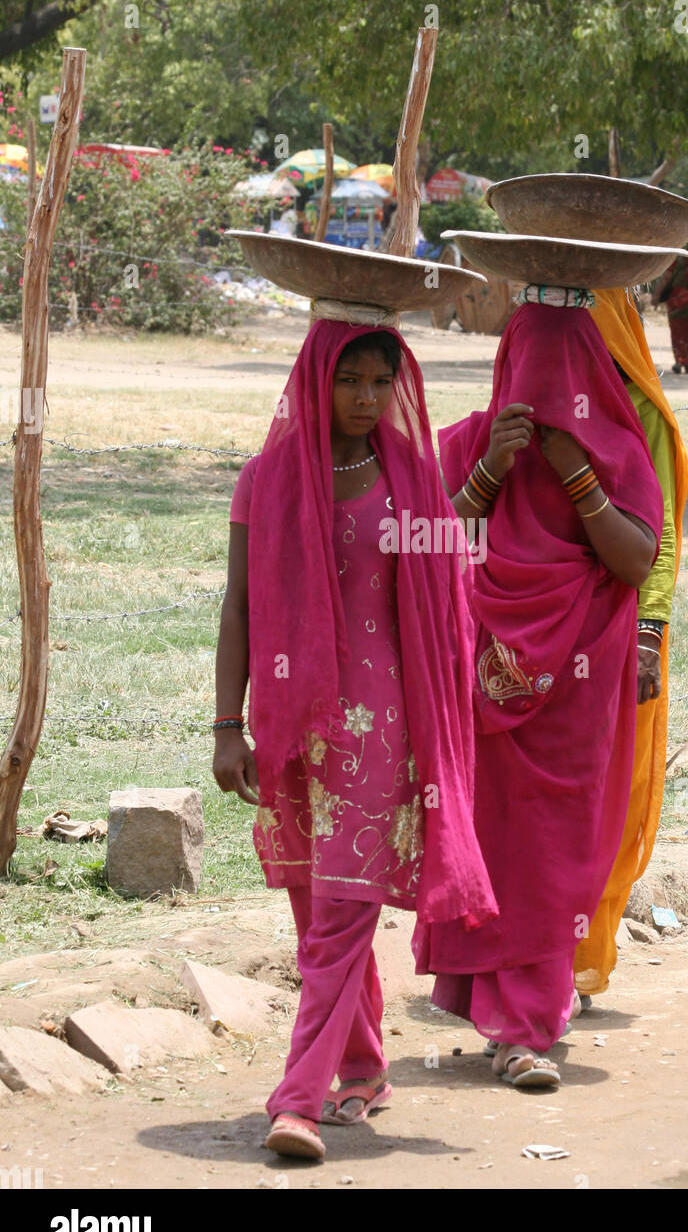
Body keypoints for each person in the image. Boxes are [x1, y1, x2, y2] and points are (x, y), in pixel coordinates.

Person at [213, 318, 497, 1159]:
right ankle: (366, 1068)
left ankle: (296, 1101)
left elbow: (453, 583)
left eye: (381, 381)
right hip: (297, 726)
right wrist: (229, 725)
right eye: (350, 381)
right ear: (314, 381)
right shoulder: (264, 481)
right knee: (316, 909)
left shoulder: (410, 480)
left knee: (342, 910)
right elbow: (237, 609)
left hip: (387, 730)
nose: (367, 399)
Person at [413, 287, 663, 1090]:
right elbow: (424, 546)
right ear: (506, 363)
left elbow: (635, 561)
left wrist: (578, 477)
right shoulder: (469, 444)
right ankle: (500, 1019)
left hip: (580, 691)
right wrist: (492, 471)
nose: (548, 386)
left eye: (566, 368)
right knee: (493, 840)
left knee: (556, 849)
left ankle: (528, 1027)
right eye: (532, 363)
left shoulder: (621, 450)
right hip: (482, 683)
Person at [572, 287, 688, 1003]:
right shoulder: (527, 398)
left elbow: (662, 528)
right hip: (535, 630)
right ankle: (521, 960)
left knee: (611, 791)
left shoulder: (635, 403)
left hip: (621, 627)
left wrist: (647, 633)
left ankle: (580, 957)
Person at [651, 236, 688, 373]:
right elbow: (665, 278)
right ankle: (679, 361)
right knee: (678, 334)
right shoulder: (678, 262)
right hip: (677, 306)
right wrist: (656, 296)